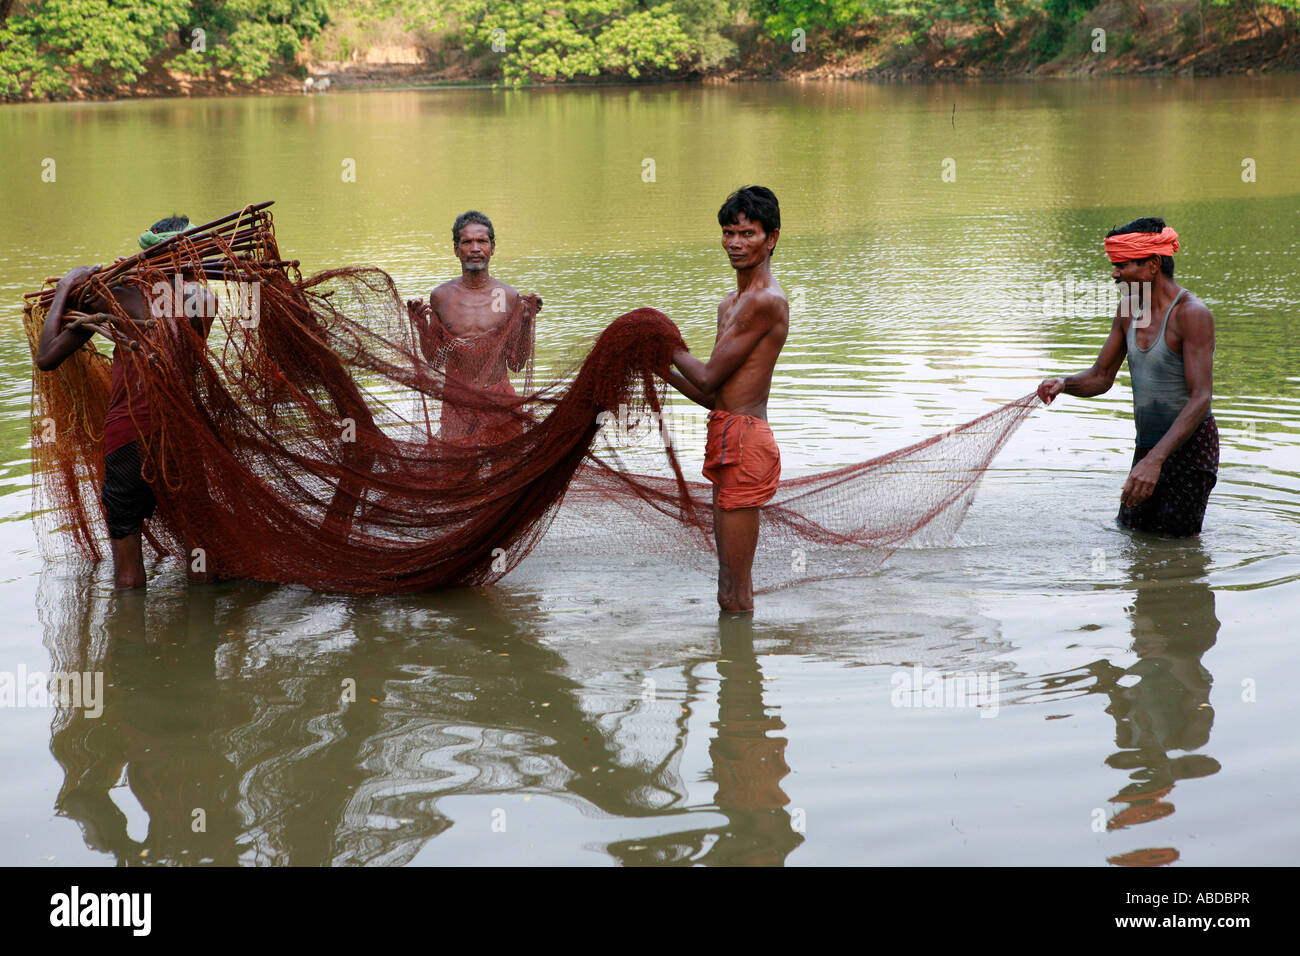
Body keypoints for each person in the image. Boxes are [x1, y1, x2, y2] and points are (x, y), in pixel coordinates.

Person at [35, 216, 217, 587]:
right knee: (199, 552)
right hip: (184, 431)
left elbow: (47, 357)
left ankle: (130, 638)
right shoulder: (206, 299)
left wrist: (69, 284)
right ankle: (203, 630)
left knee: (128, 568)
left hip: (131, 432)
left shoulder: (123, 295)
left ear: (149, 254)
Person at [1038, 217, 1217, 537]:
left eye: (1122, 265)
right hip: (1148, 446)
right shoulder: (1128, 310)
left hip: (1190, 450)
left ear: (1153, 265)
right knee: (1132, 536)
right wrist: (1064, 384)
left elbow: (1201, 397)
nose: (1115, 273)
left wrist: (1155, 460)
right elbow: (1101, 376)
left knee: (1174, 546)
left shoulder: (1191, 314)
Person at [665, 186, 789, 613]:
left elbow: (708, 372)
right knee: (727, 588)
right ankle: (736, 672)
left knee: (735, 593)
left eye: (748, 233)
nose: (735, 243)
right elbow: (711, 394)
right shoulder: (730, 304)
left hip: (746, 442)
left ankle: (740, 674)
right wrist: (660, 369)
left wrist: (658, 339)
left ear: (771, 238)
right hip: (724, 434)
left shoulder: (764, 302)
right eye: (728, 232)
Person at [414, 211, 542, 445]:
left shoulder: (506, 296)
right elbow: (434, 361)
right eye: (467, 242)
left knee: (506, 471)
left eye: (482, 241)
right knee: (457, 473)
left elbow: (516, 364)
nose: (475, 248)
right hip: (457, 403)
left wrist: (526, 323)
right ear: (456, 249)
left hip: (499, 398)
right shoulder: (441, 297)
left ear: (492, 248)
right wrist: (421, 326)